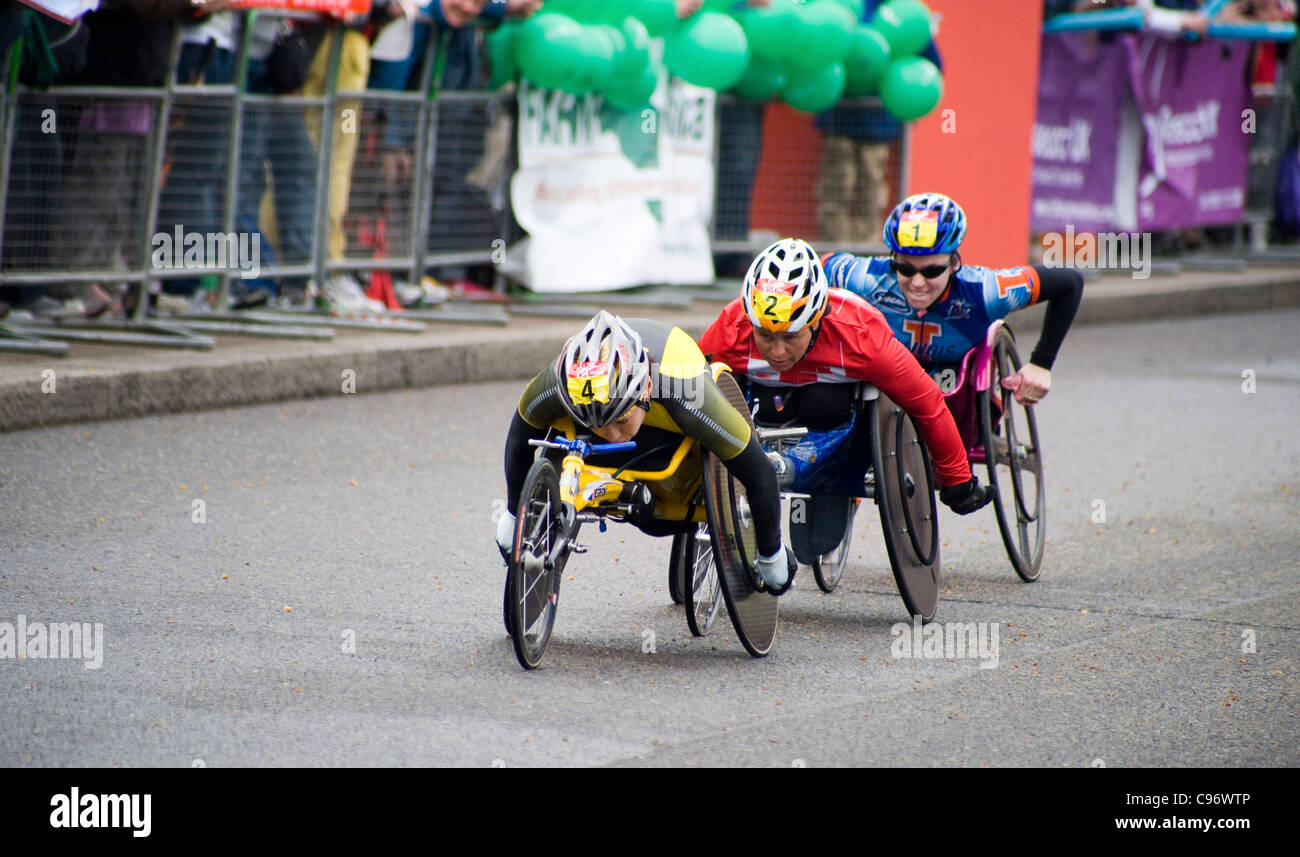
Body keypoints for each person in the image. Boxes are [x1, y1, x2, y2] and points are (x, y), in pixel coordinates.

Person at [697, 237, 993, 531]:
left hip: (832, 410)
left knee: (823, 403)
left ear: (816, 320)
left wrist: (958, 482)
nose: (777, 352)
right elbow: (687, 389)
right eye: (765, 336)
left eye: (790, 337)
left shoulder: (861, 336)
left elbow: (927, 402)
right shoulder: (732, 328)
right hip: (765, 405)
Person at [497, 310, 800, 594]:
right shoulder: (557, 384)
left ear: (645, 390)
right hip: (613, 409)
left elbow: (758, 471)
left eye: (620, 421)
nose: (612, 437)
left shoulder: (685, 389)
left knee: (658, 521)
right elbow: (519, 442)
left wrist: (771, 555)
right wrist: (514, 514)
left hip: (668, 417)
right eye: (597, 425)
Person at [821, 193, 1083, 409]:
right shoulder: (867, 277)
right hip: (887, 371)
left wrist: (1041, 363)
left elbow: (1070, 282)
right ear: (893, 262)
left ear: (954, 264)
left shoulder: (987, 289)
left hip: (952, 380)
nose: (917, 282)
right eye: (906, 269)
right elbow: (810, 269)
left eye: (932, 271)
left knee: (944, 396)